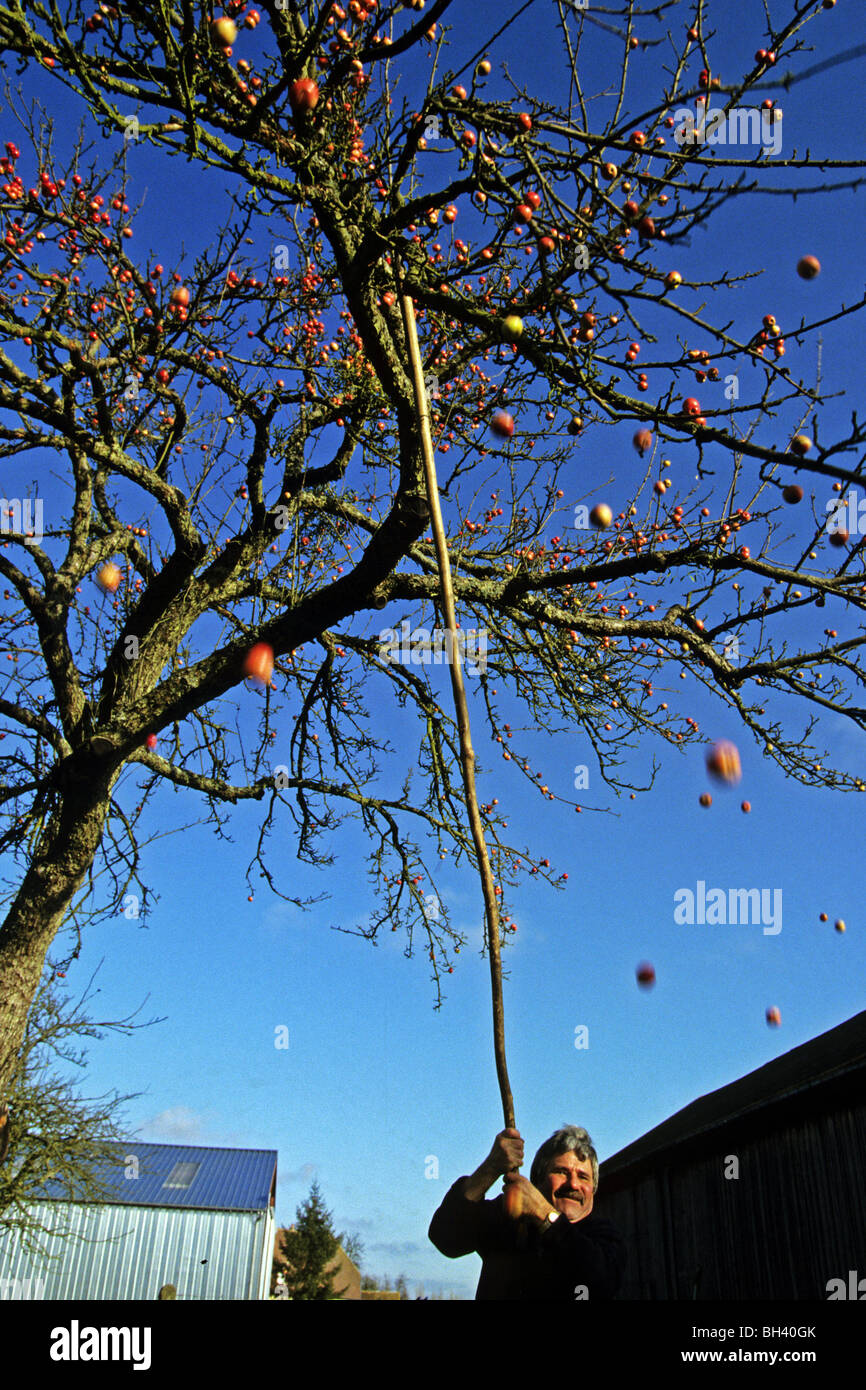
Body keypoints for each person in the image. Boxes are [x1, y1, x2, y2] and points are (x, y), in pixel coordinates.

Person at [428, 1124, 626, 1300]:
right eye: (561, 1172)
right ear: (538, 1180)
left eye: (583, 1177)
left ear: (593, 1189)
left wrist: (544, 1215)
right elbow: (445, 1238)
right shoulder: (510, 1216)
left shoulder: (604, 1237)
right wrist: (490, 1168)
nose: (573, 1184)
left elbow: (598, 1284)